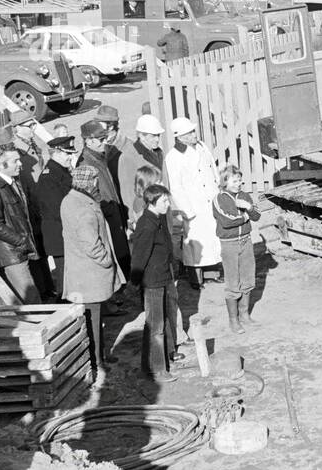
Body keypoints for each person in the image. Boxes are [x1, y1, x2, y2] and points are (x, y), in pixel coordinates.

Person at [61, 165, 125, 376]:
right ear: (89, 183)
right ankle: (97, 361)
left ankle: (99, 356)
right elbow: (91, 242)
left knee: (93, 320)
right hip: (90, 274)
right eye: (95, 181)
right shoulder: (84, 208)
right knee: (94, 321)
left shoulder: (70, 200)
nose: (98, 185)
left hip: (81, 272)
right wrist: (106, 260)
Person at [129, 183, 182, 382]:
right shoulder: (147, 225)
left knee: (157, 323)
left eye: (168, 200)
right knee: (156, 327)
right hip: (152, 281)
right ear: (152, 202)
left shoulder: (157, 219)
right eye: (164, 201)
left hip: (163, 277)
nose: (168, 204)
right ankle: (158, 370)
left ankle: (151, 363)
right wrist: (134, 283)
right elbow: (139, 257)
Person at [163, 116, 222, 285]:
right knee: (194, 242)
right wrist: (187, 210)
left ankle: (212, 272)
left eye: (193, 132)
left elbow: (213, 169)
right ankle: (194, 277)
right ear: (179, 137)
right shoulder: (173, 157)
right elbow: (176, 187)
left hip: (210, 199)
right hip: (193, 204)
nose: (192, 136)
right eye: (188, 134)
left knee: (212, 238)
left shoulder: (202, 147)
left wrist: (218, 190)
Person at [0, 144, 42, 303]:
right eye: (15, 161)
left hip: (20, 250)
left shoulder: (13, 182)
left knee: (16, 303)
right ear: (2, 165)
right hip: (12, 254)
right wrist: (21, 241)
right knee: (32, 301)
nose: (20, 164)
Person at [77, 119, 130, 278]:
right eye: (100, 139)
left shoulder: (99, 156)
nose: (104, 142)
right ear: (88, 141)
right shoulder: (85, 164)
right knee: (115, 251)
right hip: (106, 216)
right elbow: (87, 199)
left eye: (104, 138)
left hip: (114, 212)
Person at [213, 165, 261, 333]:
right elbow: (227, 221)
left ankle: (244, 315)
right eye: (234, 181)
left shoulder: (245, 196)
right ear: (225, 181)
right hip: (230, 244)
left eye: (240, 180)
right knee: (233, 282)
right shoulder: (219, 199)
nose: (238, 184)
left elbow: (257, 215)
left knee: (248, 279)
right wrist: (245, 215)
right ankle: (233, 321)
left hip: (246, 241)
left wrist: (248, 208)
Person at [34, 135, 76, 294]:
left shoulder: (61, 172)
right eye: (67, 154)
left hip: (67, 234)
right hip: (60, 237)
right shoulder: (49, 178)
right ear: (56, 153)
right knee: (65, 280)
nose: (71, 157)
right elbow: (57, 209)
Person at [116, 113, 166, 223]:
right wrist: (134, 219)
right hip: (145, 214)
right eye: (153, 136)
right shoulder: (128, 157)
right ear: (141, 136)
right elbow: (127, 192)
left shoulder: (159, 152)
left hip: (162, 209)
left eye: (158, 135)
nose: (157, 139)